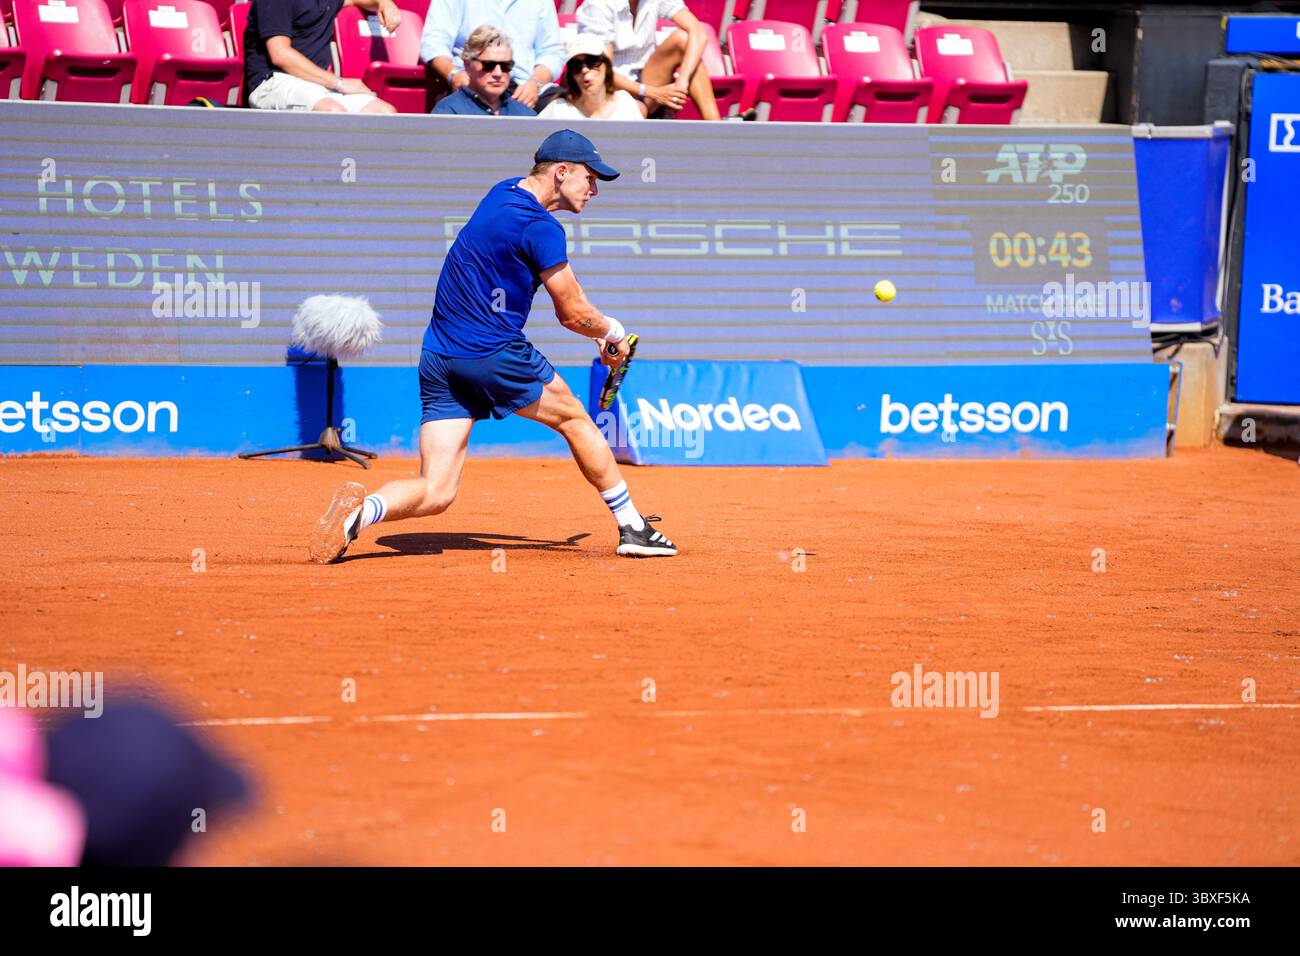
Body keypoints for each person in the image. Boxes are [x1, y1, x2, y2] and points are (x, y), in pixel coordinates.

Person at [309, 130, 677, 564]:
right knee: (577, 420)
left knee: (437, 490)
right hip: (491, 353)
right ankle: (633, 526)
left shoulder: (502, 193)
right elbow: (571, 311)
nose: (594, 189)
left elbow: (570, 297)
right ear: (561, 172)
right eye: (590, 178)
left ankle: (362, 512)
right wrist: (612, 331)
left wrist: (597, 329)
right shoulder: (542, 227)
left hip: (439, 358)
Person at [243, 0, 401, 113]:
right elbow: (280, 55)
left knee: (384, 113)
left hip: (318, 85)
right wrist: (339, 83)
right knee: (332, 112)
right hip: (273, 82)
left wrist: (384, 3)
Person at [576, 0, 720, 120]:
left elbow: (698, 33)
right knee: (637, 108)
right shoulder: (598, 5)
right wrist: (652, 92)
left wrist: (682, 84)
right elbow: (601, 73)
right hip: (610, 90)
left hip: (646, 83)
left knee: (683, 40)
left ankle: (719, 131)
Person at [421, 0, 564, 112]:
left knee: (568, 109)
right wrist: (454, 75)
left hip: (525, 87)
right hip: (474, 83)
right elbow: (434, 43)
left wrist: (535, 83)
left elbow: (551, 51)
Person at [433, 26, 537, 116]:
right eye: (489, 65)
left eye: (506, 66)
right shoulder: (448, 112)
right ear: (468, 65)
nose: (498, 73)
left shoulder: (525, 115)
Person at [539, 34, 644, 121]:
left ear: (606, 65)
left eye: (592, 61)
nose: (584, 70)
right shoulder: (558, 109)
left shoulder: (625, 103)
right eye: (576, 65)